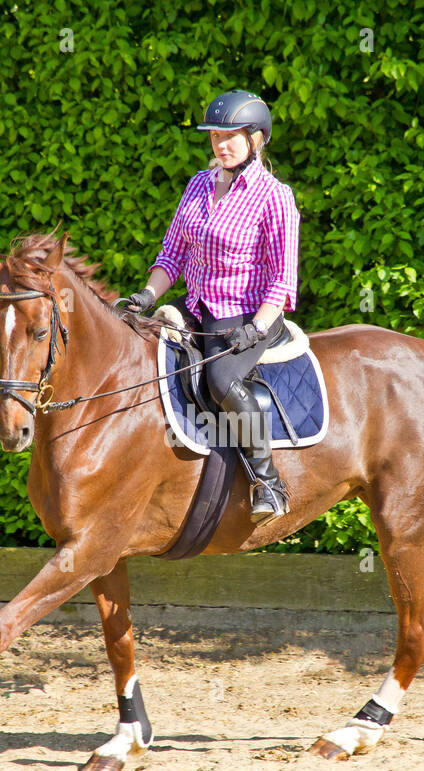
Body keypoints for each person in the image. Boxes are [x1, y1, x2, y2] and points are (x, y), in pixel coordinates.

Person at [125, 89, 301, 524]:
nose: (221, 144)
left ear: (256, 139)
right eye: (215, 136)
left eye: (231, 136)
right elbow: (173, 255)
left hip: (246, 317)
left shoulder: (275, 197)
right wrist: (146, 296)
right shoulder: (199, 185)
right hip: (197, 307)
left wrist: (256, 328)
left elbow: (282, 280)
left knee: (222, 380)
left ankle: (269, 483)